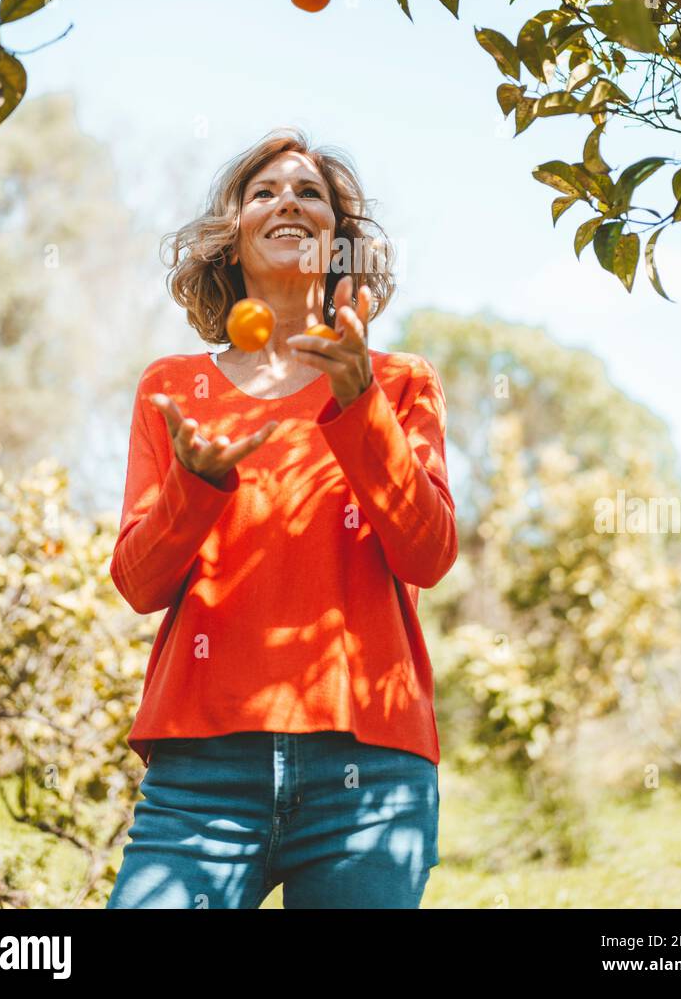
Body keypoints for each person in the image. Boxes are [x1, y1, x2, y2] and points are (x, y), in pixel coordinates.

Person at [105, 128, 457, 910]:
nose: (287, 201)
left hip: (369, 774)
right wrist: (195, 488)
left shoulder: (398, 383)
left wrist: (358, 405)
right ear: (231, 236)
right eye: (263, 192)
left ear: (339, 236)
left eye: (309, 193)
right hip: (201, 772)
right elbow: (136, 582)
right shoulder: (174, 388)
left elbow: (427, 556)